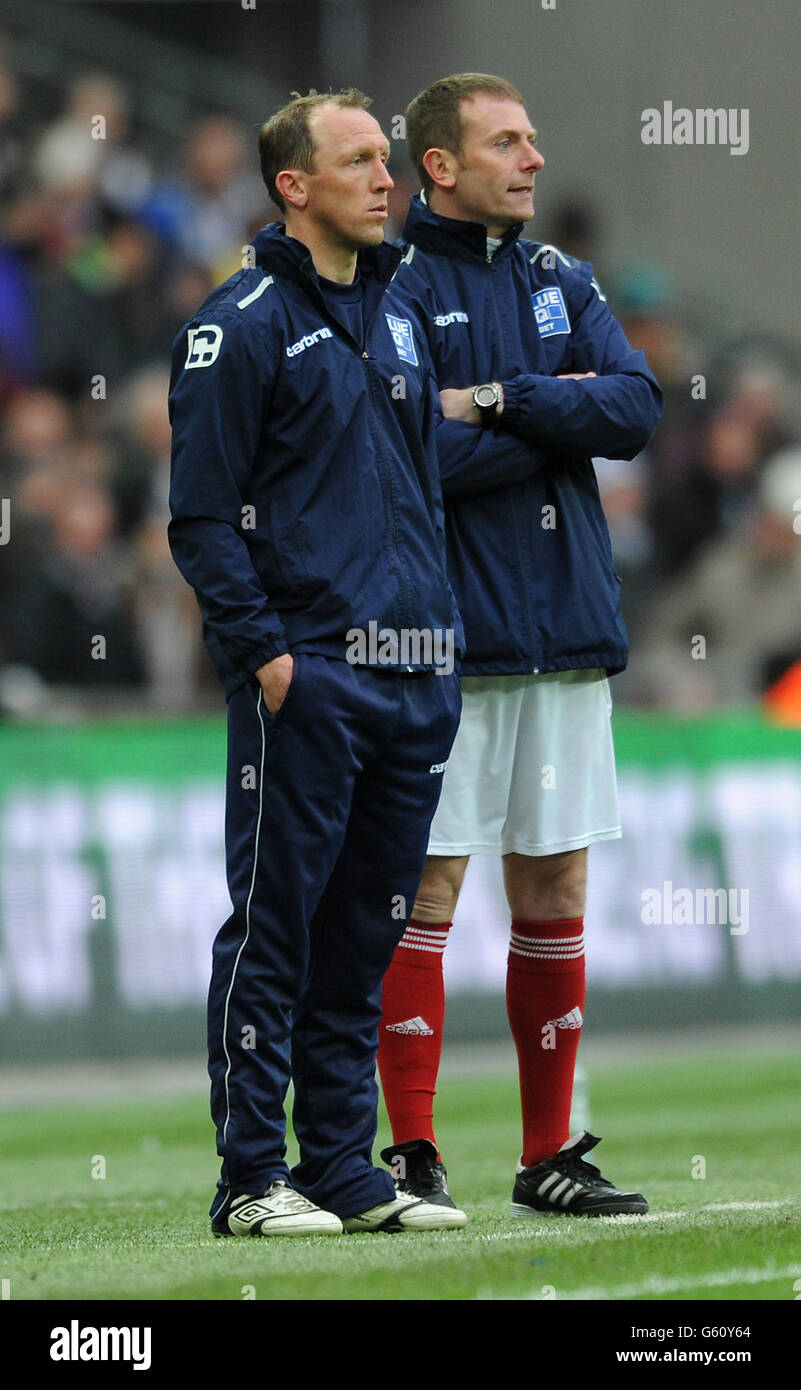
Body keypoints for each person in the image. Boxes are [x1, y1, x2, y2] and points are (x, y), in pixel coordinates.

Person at [168, 89, 465, 1236]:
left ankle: (342, 1163)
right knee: (277, 919)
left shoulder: (397, 310)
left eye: (386, 159)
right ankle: (250, 1175)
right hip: (312, 673)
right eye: (358, 161)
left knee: (366, 927)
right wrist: (265, 657)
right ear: (295, 186)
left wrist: (440, 640)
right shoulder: (235, 323)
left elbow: (421, 491)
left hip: (413, 672)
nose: (386, 177)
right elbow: (200, 518)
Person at [377, 73, 662, 1217]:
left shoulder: (563, 277)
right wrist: (554, 419)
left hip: (565, 628)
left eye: (534, 140)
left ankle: (549, 1153)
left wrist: (492, 400)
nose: (533, 159)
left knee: (554, 883)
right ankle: (409, 1153)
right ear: (440, 163)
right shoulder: (390, 287)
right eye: (507, 142)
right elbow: (406, 462)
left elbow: (636, 411)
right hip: (443, 640)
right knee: (426, 889)